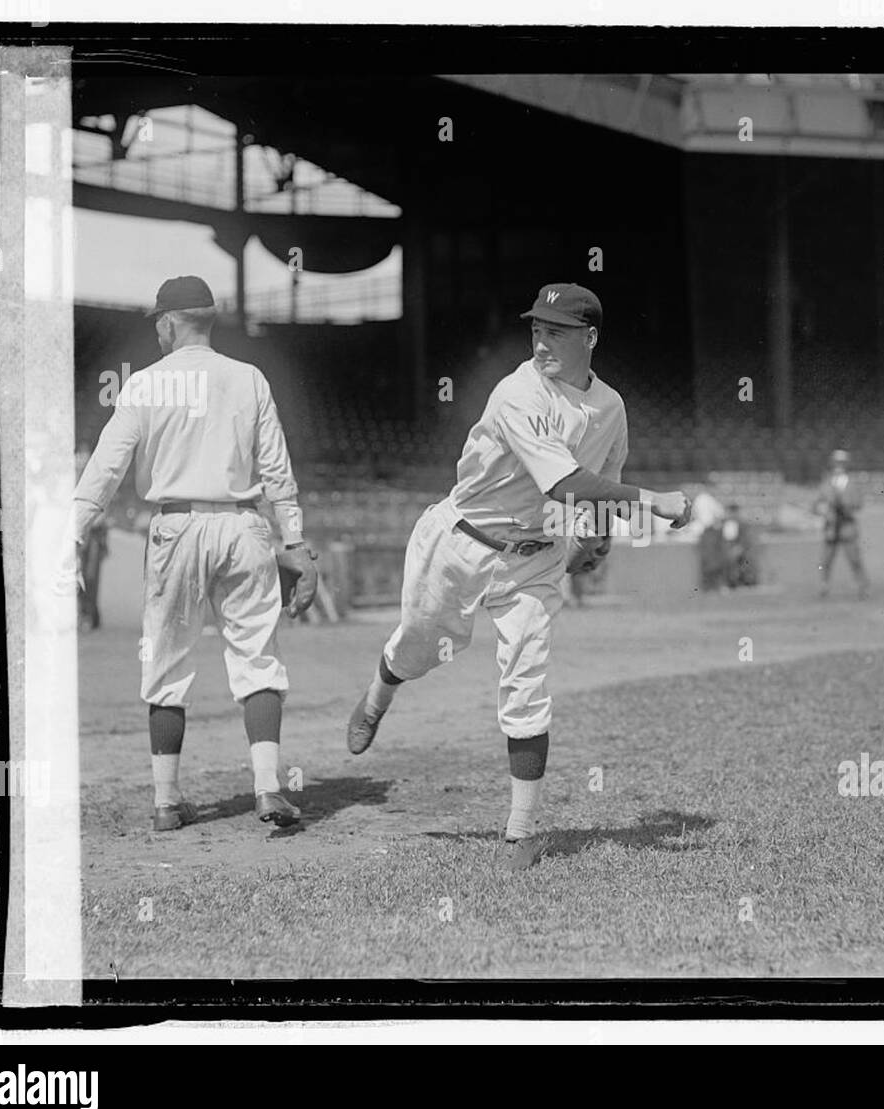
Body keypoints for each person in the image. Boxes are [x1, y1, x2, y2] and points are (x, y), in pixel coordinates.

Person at [345, 283, 692, 871]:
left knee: (526, 680)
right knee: (418, 649)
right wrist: (652, 500)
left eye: (556, 331)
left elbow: (594, 489)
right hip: (460, 542)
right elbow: (563, 484)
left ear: (591, 338)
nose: (542, 341)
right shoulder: (517, 392)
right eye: (536, 328)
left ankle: (520, 833)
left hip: (533, 557)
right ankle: (379, 694)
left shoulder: (611, 408)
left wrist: (595, 535)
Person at [71, 275, 317, 832]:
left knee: (165, 664)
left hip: (175, 526)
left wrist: (74, 533)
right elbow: (278, 470)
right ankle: (268, 789)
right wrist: (297, 542)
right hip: (242, 525)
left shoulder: (144, 386)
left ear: (170, 321)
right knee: (257, 659)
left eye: (158, 320)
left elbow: (105, 470)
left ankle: (166, 801)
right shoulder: (249, 378)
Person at [814, 449, 869, 599]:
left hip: (847, 526)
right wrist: (824, 510)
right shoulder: (826, 483)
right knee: (825, 560)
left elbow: (858, 503)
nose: (839, 465)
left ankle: (862, 586)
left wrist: (845, 505)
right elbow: (816, 504)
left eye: (842, 462)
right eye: (836, 462)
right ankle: (823, 586)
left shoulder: (852, 484)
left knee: (854, 559)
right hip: (831, 527)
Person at [74, 443, 110, 631]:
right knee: (75, 575)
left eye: (85, 456)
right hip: (77, 534)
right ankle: (83, 614)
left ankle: (90, 615)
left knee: (90, 575)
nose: (82, 460)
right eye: (79, 456)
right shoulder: (70, 480)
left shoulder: (98, 479)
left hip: (94, 534)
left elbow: (104, 509)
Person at [720, 502, 759, 588]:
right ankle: (730, 581)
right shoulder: (724, 524)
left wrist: (739, 548)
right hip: (728, 550)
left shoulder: (743, 524)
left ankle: (745, 580)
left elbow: (747, 540)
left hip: (742, 550)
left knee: (743, 559)